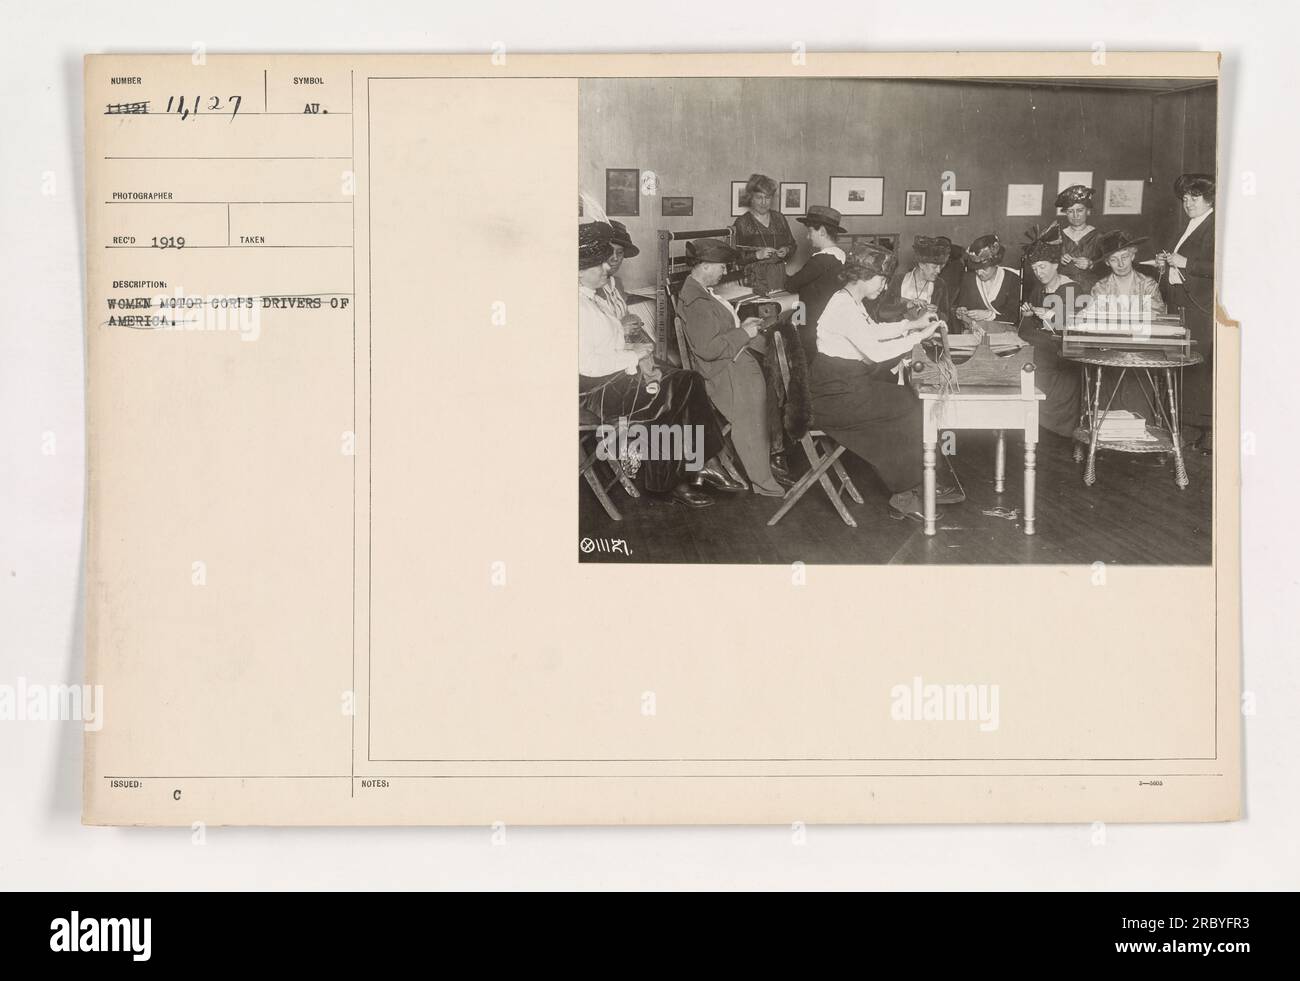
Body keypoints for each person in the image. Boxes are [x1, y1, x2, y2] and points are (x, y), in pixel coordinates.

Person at [578, 219, 732, 508]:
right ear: (579, 271)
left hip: (611, 381)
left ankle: (699, 463)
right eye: (598, 265)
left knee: (688, 380)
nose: (606, 268)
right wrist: (636, 357)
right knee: (669, 395)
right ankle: (675, 481)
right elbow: (587, 365)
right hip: (593, 393)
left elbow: (607, 345)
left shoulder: (592, 300)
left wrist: (638, 351)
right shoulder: (577, 305)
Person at [809, 244, 964, 520]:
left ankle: (915, 485)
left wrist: (910, 326)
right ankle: (909, 490)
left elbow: (873, 332)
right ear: (864, 276)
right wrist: (920, 335)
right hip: (836, 396)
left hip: (843, 386)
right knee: (911, 406)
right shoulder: (843, 306)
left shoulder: (848, 300)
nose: (883, 287)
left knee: (908, 403)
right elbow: (876, 352)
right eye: (881, 280)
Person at [677, 239, 785, 497]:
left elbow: (717, 335)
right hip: (721, 373)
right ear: (704, 266)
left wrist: (742, 327)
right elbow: (708, 350)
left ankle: (770, 463)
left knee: (774, 373)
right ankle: (763, 481)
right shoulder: (696, 301)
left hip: (729, 361)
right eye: (721, 267)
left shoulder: (701, 292)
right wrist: (743, 333)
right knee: (756, 405)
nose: (724, 272)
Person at [1154, 172, 1215, 427]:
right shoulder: (1188, 224)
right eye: (1185, 198)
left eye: (1195, 197)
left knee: (1200, 368)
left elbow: (1225, 266)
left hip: (1201, 308)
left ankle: (1206, 429)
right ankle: (1181, 425)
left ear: (1210, 198)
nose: (1188, 203)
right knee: (1183, 367)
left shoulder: (1215, 225)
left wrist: (1185, 262)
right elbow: (1176, 263)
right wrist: (1163, 264)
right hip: (1180, 306)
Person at [1017, 225, 1084, 439]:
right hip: (1043, 347)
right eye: (1035, 268)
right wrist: (1028, 315)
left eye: (1043, 267)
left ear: (1056, 265)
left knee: (1031, 358)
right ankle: (1031, 420)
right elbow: (1029, 328)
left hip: (1064, 351)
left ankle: (1049, 426)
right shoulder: (1039, 289)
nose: (1039, 273)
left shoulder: (1072, 289)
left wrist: (1046, 314)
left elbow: (1067, 326)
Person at [781, 204, 847, 360]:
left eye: (810, 231)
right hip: (829, 321)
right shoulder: (841, 256)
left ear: (822, 232)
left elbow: (790, 285)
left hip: (811, 324)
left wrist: (781, 264)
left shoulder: (821, 260)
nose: (808, 236)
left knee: (784, 336)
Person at [868, 235, 955, 329]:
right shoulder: (898, 280)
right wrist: (907, 305)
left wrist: (936, 312)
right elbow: (882, 312)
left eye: (940, 267)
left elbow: (946, 317)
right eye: (934, 267)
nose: (938, 271)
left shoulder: (940, 285)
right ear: (921, 265)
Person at [953, 234, 1022, 337]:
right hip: (975, 332)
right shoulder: (968, 279)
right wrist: (961, 311)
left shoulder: (1012, 279)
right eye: (976, 269)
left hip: (1004, 334)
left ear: (995, 264)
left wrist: (990, 315)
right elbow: (962, 306)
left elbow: (1015, 317)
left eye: (984, 268)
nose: (979, 272)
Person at [1090, 229, 1166, 322]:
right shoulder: (1100, 288)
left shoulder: (1148, 285)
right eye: (1114, 260)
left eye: (1124, 257)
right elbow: (1095, 319)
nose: (1121, 264)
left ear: (1132, 256)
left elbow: (1157, 317)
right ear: (1107, 262)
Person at [600, 220, 656, 346]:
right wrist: (621, 329)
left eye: (619, 252)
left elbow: (623, 315)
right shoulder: (587, 289)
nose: (615, 258)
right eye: (609, 251)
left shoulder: (617, 284)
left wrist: (633, 322)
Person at [732, 173, 796, 274]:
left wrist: (786, 250)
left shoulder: (779, 218)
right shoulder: (742, 222)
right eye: (759, 197)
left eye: (767, 197)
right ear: (751, 198)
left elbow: (792, 244)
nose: (763, 202)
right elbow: (734, 257)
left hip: (778, 275)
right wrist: (757, 255)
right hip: (752, 278)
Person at [1054, 185, 1104, 291]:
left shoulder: (1099, 236)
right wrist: (1059, 260)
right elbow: (1047, 266)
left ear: (1088, 211)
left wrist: (1091, 264)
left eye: (1080, 210)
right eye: (1070, 211)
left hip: (1092, 289)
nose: (1075, 215)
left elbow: (1109, 264)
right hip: (1063, 288)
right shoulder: (1057, 236)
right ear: (1065, 213)